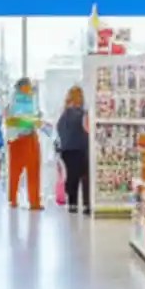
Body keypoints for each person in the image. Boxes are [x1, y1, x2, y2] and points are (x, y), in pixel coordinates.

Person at [4, 77, 43, 210]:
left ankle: (28, 200)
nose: (29, 89)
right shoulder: (20, 100)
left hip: (23, 139)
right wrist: (32, 120)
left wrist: (35, 119)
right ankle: (28, 200)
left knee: (22, 171)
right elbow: (14, 121)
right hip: (21, 139)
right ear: (22, 87)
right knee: (26, 171)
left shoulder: (18, 100)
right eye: (27, 87)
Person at [56, 85, 90, 214]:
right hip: (81, 149)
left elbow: (59, 130)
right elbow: (87, 130)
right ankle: (87, 205)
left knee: (71, 177)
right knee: (85, 177)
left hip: (66, 150)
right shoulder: (82, 114)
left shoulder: (64, 114)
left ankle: (72, 204)